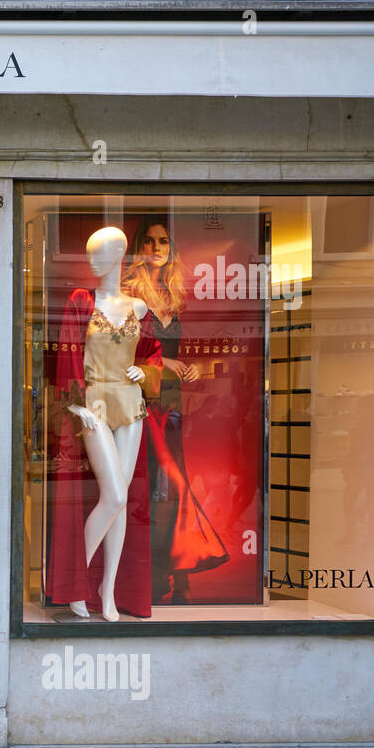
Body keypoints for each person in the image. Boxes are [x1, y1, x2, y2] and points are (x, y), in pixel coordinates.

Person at [122, 216, 228, 604]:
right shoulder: (129, 294)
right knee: (159, 486)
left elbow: (176, 352)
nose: (155, 248)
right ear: (138, 247)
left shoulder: (173, 298)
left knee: (165, 489)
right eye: (148, 242)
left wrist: (191, 367)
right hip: (144, 400)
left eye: (163, 242)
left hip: (173, 403)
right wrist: (165, 365)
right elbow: (121, 353)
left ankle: (168, 573)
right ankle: (159, 573)